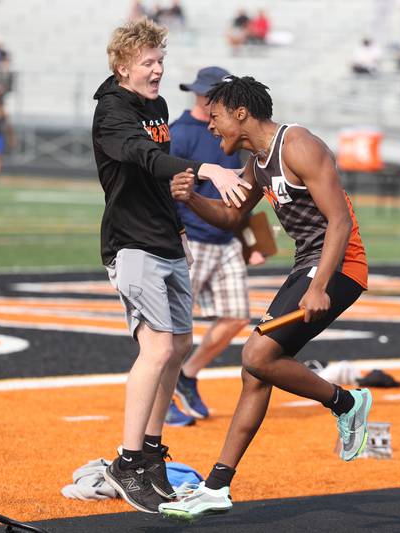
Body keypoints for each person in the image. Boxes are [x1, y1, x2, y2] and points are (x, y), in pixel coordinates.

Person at [158, 76, 372, 521]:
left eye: (214, 116)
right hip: (309, 265)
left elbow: (339, 223)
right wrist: (192, 199)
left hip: (339, 266)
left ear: (240, 112)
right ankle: (217, 486)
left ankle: (346, 403)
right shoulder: (257, 162)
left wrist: (318, 287)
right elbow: (232, 218)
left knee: (256, 353)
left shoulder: (298, 144)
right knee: (255, 370)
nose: (210, 126)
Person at [91, 18, 251, 515]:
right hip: (131, 243)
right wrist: (201, 167)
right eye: (148, 63)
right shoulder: (112, 110)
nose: (158, 70)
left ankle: (151, 453)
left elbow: (158, 176)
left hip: (165, 239)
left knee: (179, 344)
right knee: (157, 347)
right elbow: (143, 157)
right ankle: (127, 458)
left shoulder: (157, 106)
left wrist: (178, 228)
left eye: (160, 60)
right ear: (123, 67)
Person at [165, 66, 256, 427]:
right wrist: (173, 237)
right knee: (171, 329)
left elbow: (241, 193)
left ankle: (186, 375)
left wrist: (252, 243)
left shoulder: (230, 134)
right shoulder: (181, 133)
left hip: (225, 240)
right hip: (192, 240)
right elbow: (168, 190)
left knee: (237, 316)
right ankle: (164, 394)